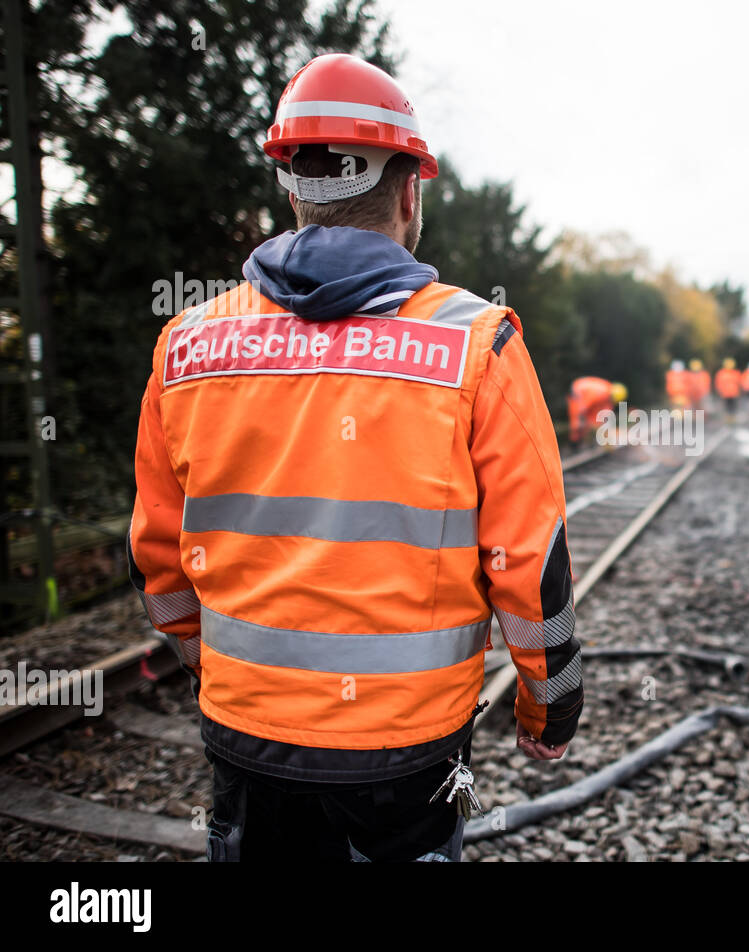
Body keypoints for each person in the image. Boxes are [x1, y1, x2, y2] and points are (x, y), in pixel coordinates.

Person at [128, 53, 582, 862]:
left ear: (292, 189)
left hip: (244, 736)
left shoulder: (189, 345)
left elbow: (157, 563)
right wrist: (549, 711)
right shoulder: (478, 343)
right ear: (411, 191)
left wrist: (218, 670)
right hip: (407, 750)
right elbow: (531, 566)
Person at [568, 376, 627, 446]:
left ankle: (580, 442)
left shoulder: (608, 392)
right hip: (578, 392)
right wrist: (581, 419)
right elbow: (583, 407)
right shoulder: (600, 393)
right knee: (577, 424)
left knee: (589, 422)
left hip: (584, 393)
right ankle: (573, 444)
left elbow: (605, 412)